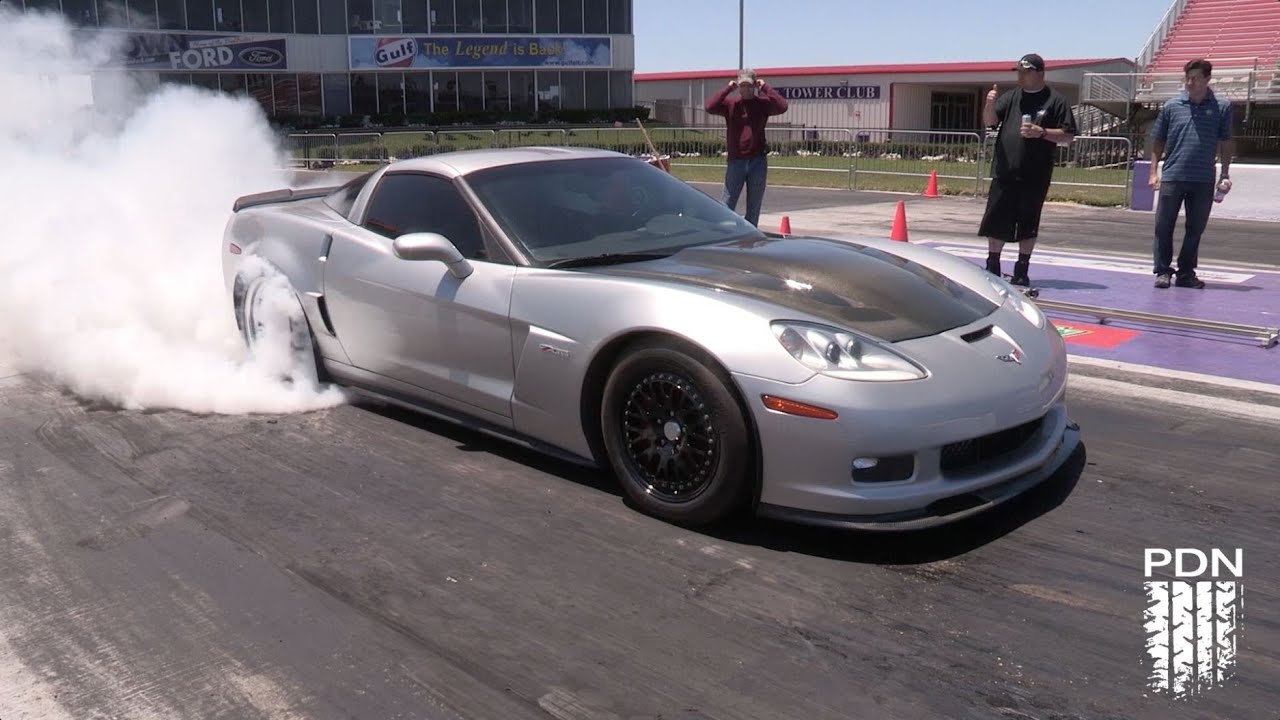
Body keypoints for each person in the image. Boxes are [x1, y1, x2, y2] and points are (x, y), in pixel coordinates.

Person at [978, 53, 1078, 286]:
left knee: (1028, 222)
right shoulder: (1012, 97)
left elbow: (1069, 135)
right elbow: (990, 122)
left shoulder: (1056, 100)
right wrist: (989, 104)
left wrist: (1041, 133)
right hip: (1005, 171)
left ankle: (1022, 267)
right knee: (996, 220)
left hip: (1035, 173)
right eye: (1019, 72)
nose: (1021, 76)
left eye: (1026, 72)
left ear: (1040, 73)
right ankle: (993, 263)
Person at [1148, 58, 1235, 289]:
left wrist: (1225, 174)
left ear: (1207, 79)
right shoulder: (1172, 106)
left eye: (1195, 78)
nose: (1189, 82)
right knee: (1163, 225)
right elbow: (1158, 140)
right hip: (1173, 175)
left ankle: (1186, 272)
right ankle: (1163, 271)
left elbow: (1226, 142)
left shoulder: (1222, 107)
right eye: (1187, 77)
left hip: (1203, 179)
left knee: (1195, 229)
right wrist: (1153, 172)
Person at [704, 68, 788, 227]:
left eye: (749, 86)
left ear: (755, 86)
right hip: (736, 162)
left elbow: (783, 106)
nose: (746, 89)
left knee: (754, 206)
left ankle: (750, 239)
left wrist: (765, 88)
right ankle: (725, 236)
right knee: (727, 203)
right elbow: (709, 106)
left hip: (758, 161)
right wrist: (728, 88)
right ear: (738, 86)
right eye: (742, 86)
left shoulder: (762, 104)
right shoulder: (731, 104)